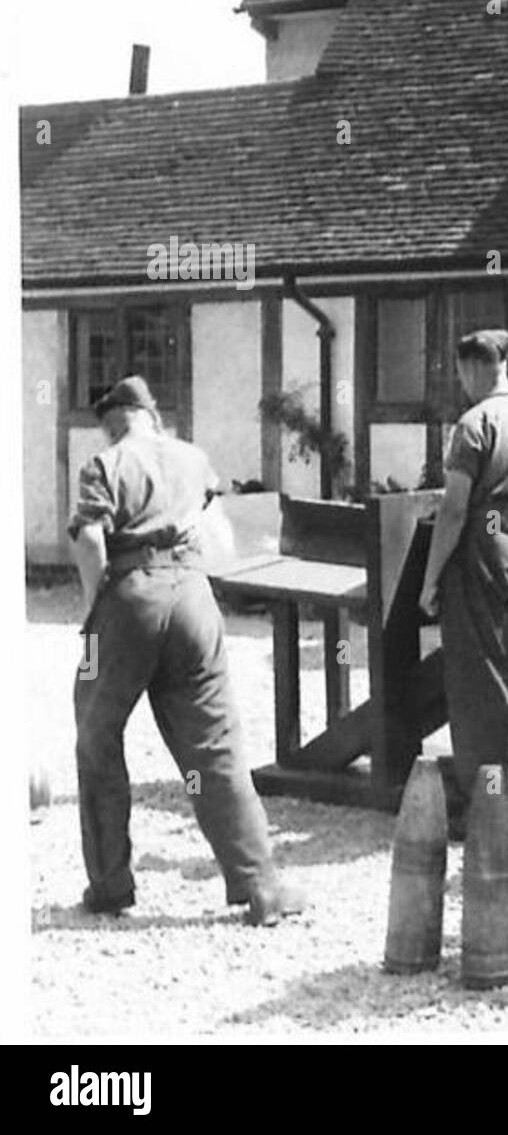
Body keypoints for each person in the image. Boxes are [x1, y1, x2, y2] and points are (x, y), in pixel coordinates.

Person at [68, 376, 304, 924]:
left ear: (113, 421)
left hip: (127, 601)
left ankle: (110, 886)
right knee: (213, 747)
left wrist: (94, 606)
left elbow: (89, 539)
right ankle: (258, 885)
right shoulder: (193, 459)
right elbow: (216, 533)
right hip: (194, 601)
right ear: (153, 414)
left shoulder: (106, 465)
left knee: (96, 736)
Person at [419, 330, 508, 800]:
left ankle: (489, 802)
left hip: (485, 540)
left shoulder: (475, 422)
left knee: (478, 677)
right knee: (506, 665)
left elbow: (455, 508)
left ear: (471, 367)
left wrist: (431, 578)